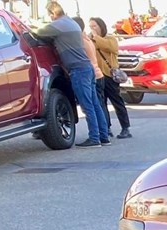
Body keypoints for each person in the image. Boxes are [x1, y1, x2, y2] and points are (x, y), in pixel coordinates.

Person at [30, 2, 110, 145]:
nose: (50, 18)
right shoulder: (72, 23)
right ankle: (103, 136)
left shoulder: (59, 25)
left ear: (53, 13)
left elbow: (38, 32)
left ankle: (94, 139)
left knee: (87, 106)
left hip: (78, 70)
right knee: (95, 104)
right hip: (87, 68)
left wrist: (33, 24)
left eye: (49, 15)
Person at [89, 17, 131, 139]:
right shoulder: (90, 40)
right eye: (90, 26)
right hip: (98, 75)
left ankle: (125, 127)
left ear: (101, 26)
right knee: (101, 103)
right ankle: (106, 127)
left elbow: (112, 48)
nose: (92, 29)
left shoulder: (110, 38)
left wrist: (96, 37)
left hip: (110, 75)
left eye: (94, 26)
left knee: (117, 101)